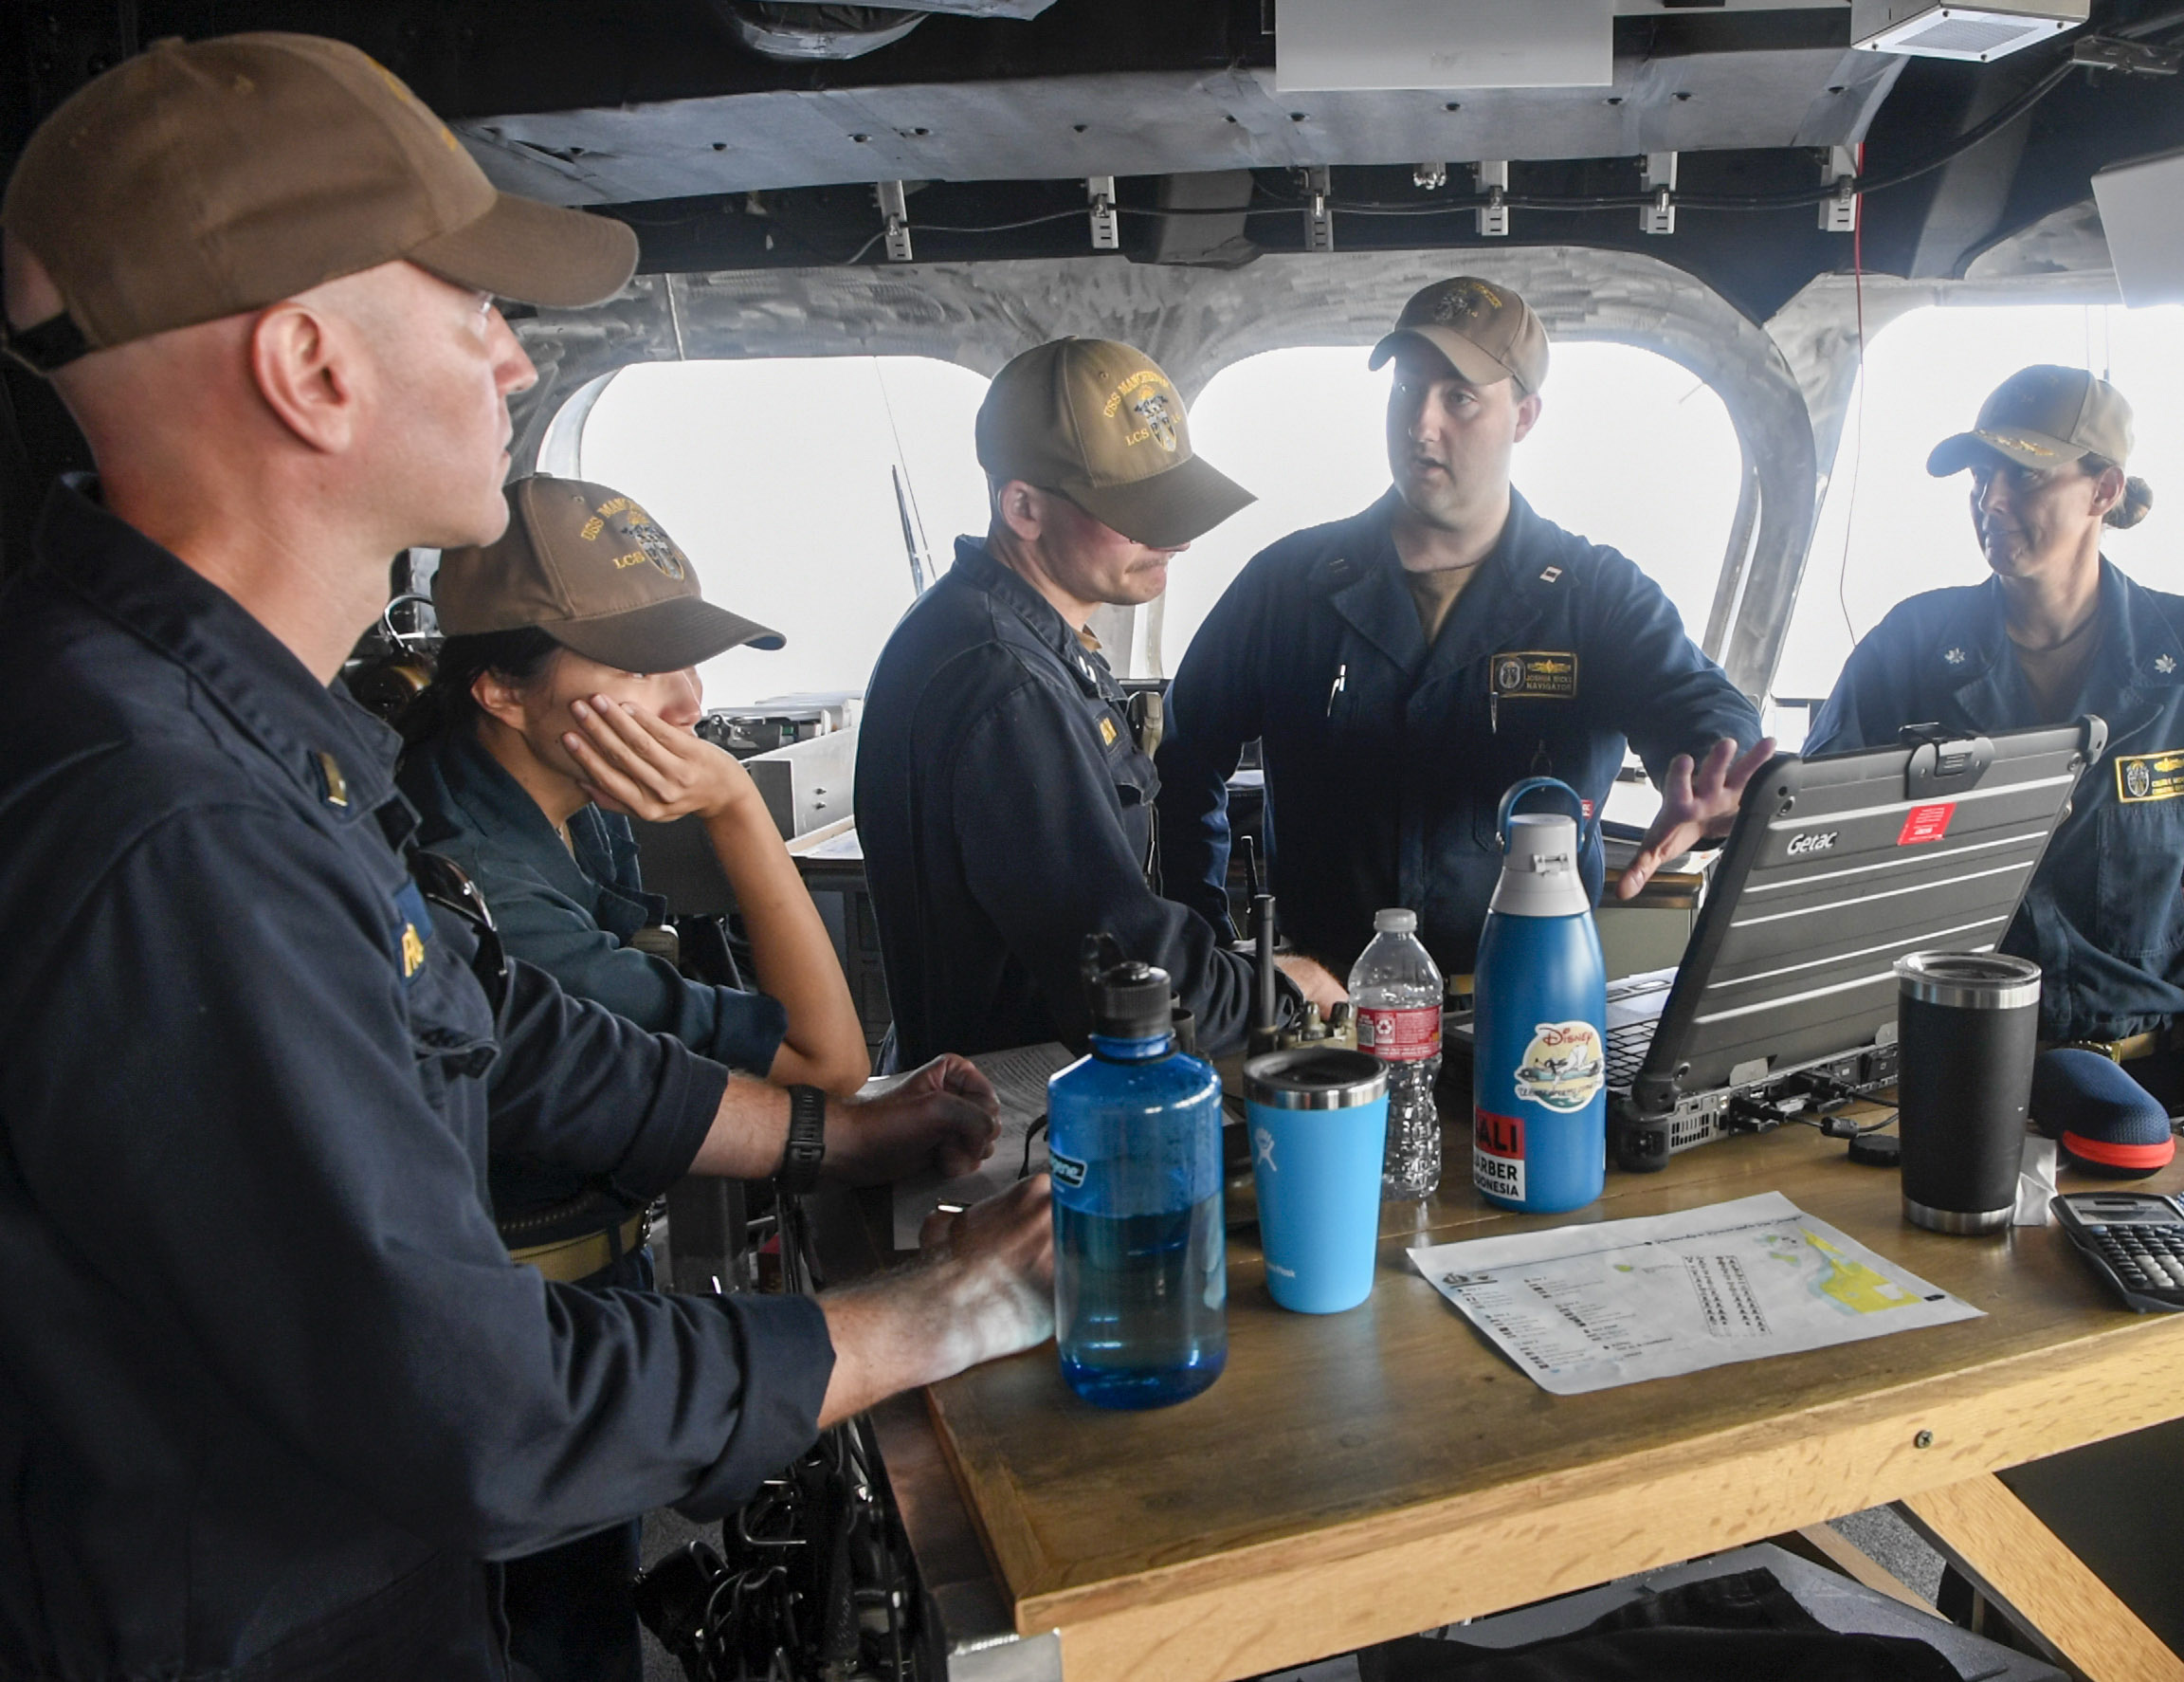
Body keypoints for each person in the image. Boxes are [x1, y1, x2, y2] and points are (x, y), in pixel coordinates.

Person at [0, 34, 1050, 1678]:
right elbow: (481, 1410)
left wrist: (835, 1132)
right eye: (472, 305)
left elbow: (492, 1024)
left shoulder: (233, 728)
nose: (510, 360)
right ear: (311, 369)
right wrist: (931, 1313)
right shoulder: (168, 816)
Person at [396, 473, 873, 1680]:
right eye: (641, 665)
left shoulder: (553, 802)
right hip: (518, 1343)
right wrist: (735, 808)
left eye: (687, 659)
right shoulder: (485, 888)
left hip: (585, 1286)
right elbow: (830, 1066)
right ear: (500, 687)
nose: (688, 702)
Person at [1156, 276, 1774, 979]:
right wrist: (1204, 946)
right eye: (1406, 389)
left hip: (1527, 995)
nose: (1421, 424)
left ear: (1524, 416)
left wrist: (1721, 774)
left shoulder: (1596, 594)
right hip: (1326, 1005)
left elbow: (1698, 702)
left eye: (1459, 397)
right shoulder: (1288, 586)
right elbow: (1180, 762)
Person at [1806, 365, 2184, 1105]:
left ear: (2103, 490)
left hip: (2158, 1090)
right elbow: (1815, 858)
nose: (1991, 500)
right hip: (1946, 1078)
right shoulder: (1909, 648)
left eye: (2024, 476)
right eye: (1980, 476)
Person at [857, 337, 1346, 1066]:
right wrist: (1283, 991)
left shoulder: (1004, 636)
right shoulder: (1005, 681)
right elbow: (1117, 972)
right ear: (1023, 507)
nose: (1175, 539)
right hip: (1012, 1097)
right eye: (1137, 510)